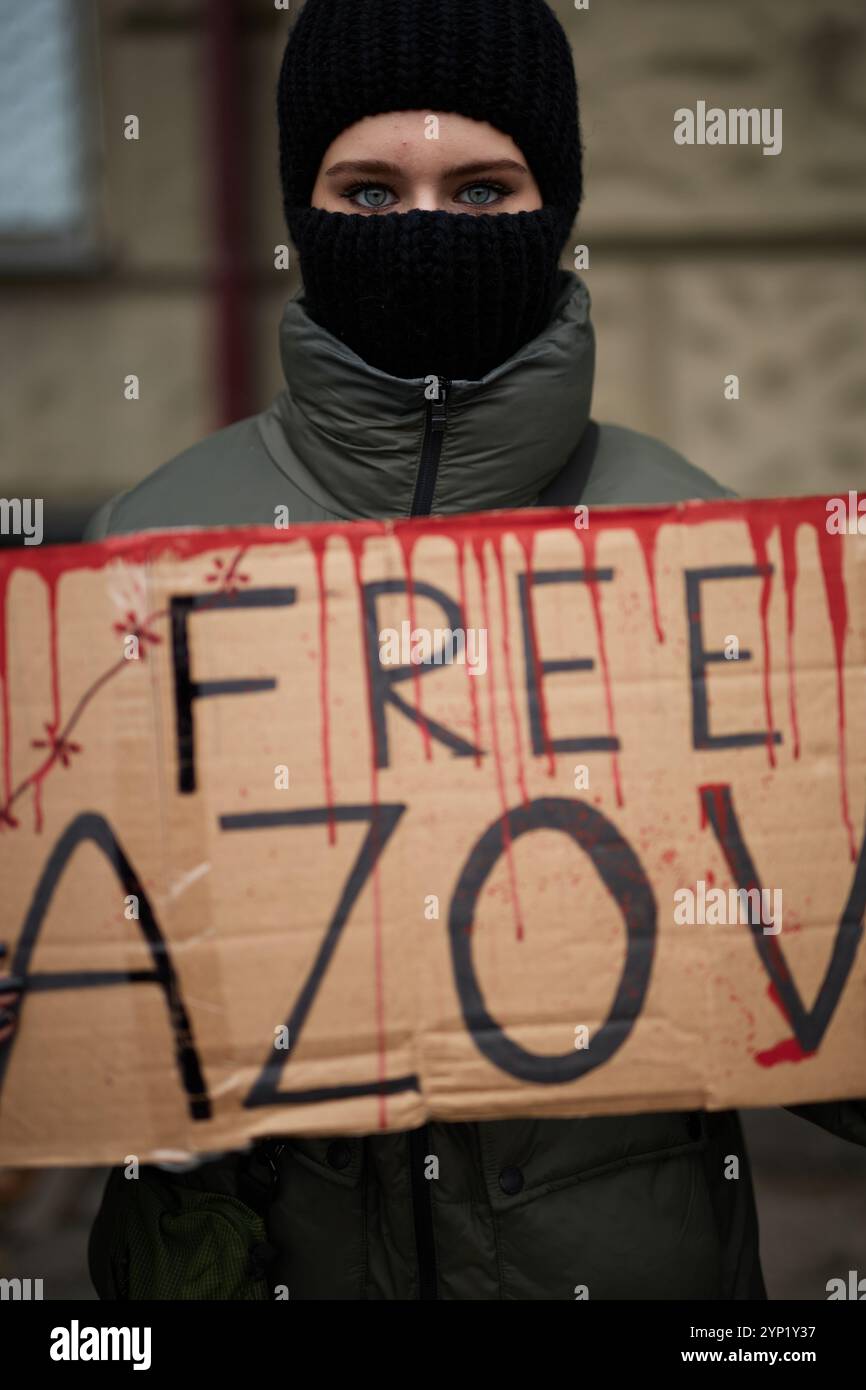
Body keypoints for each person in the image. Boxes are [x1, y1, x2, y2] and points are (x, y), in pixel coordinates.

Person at [29, 0, 866, 1298]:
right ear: (302, 209)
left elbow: (821, 992)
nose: (422, 231)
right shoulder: (157, 553)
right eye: (368, 189)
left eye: (482, 190)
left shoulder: (692, 545)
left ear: (555, 202)